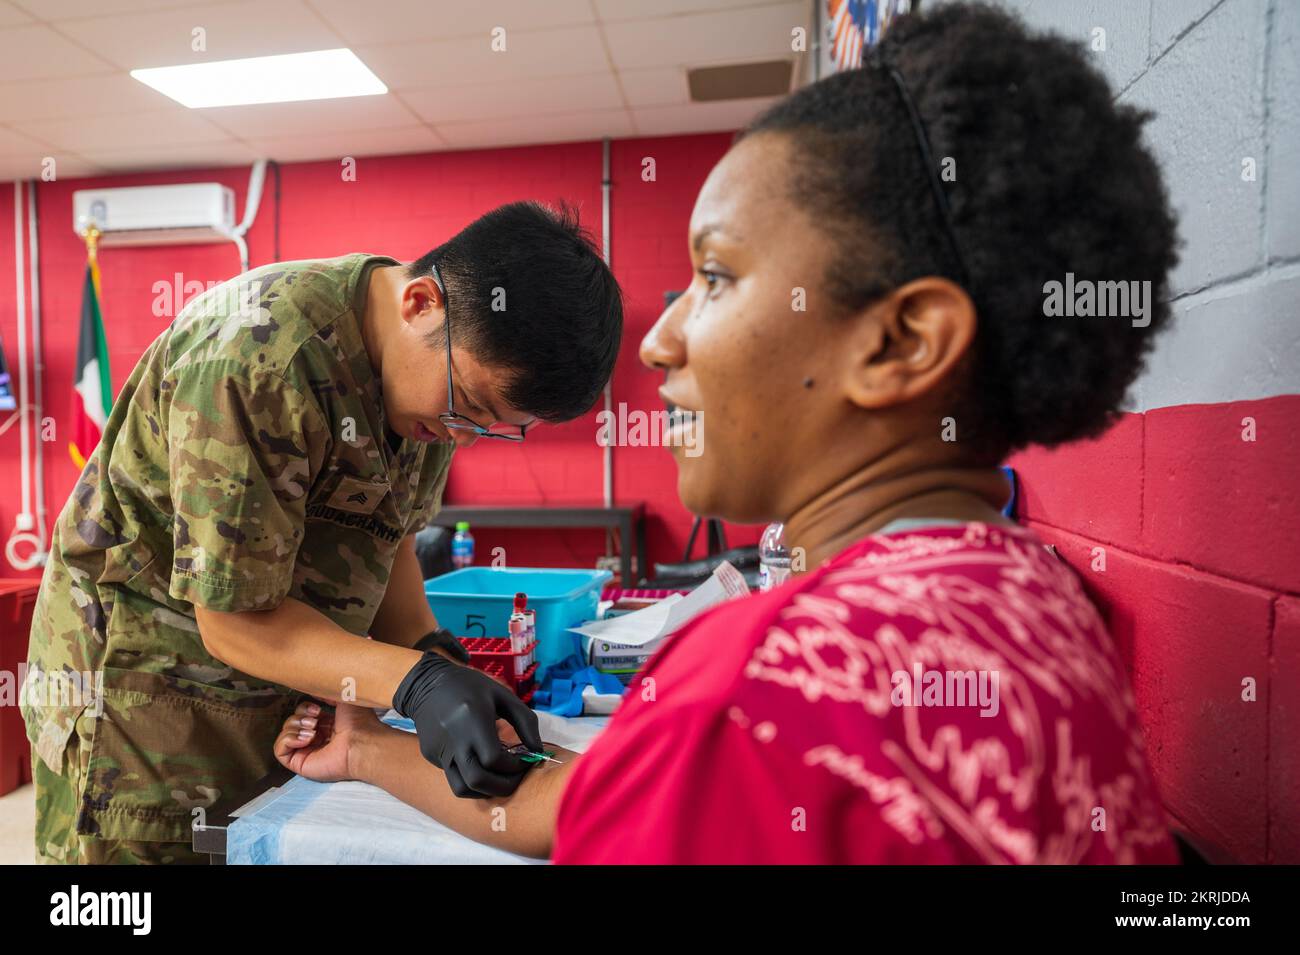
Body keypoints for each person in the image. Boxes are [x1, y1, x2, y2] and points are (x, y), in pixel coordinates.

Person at [273, 3, 1180, 864]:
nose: (663, 342)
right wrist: (367, 749)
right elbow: (610, 796)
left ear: (901, 342)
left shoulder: (759, 680)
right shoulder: (1034, 596)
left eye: (716, 277)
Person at [21, 200, 623, 864]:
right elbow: (233, 621)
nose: (461, 434)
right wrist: (414, 681)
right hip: (141, 691)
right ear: (420, 302)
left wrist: (438, 658)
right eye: (469, 407)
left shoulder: (429, 380)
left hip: (269, 683)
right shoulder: (260, 359)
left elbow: (385, 538)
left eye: (489, 424)